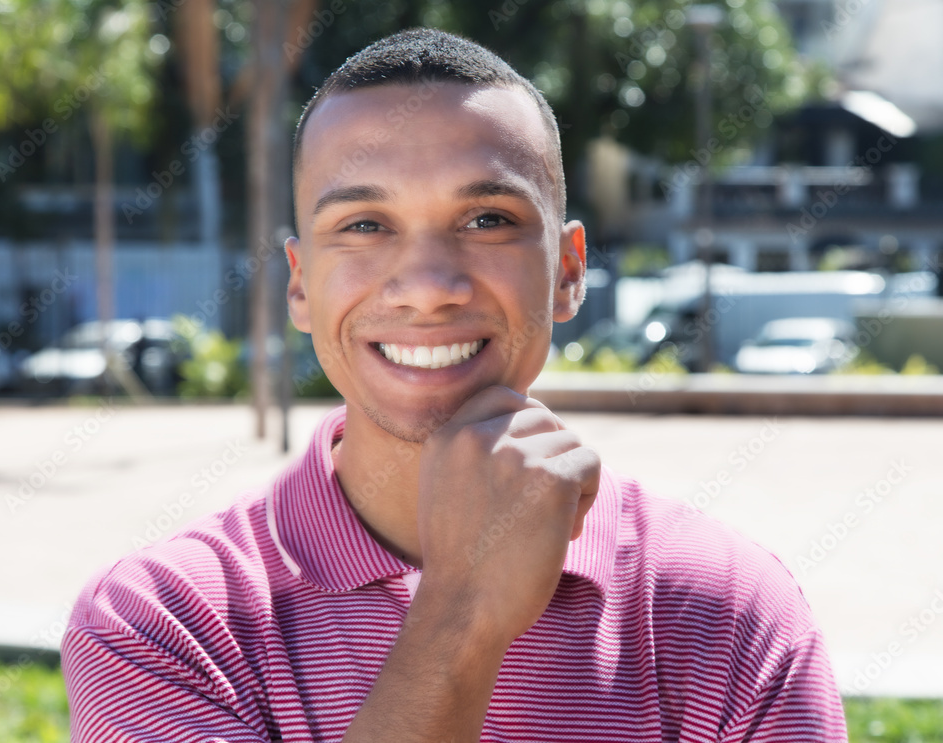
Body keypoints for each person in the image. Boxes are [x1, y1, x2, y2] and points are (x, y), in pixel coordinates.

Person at [62, 27, 848, 742]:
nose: (429, 286)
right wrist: (462, 611)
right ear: (300, 285)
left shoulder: (730, 609)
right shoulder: (161, 621)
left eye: (487, 221)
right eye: (365, 225)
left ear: (567, 271)